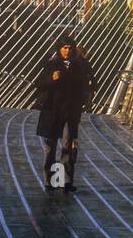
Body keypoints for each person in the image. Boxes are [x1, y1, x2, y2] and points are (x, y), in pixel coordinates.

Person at [34, 34, 96, 194]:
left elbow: (87, 84)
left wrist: (84, 100)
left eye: (69, 48)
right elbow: (39, 84)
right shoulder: (51, 65)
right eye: (64, 48)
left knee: (66, 147)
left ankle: (64, 181)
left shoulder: (79, 66)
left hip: (70, 113)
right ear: (59, 49)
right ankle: (49, 180)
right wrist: (52, 79)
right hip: (52, 112)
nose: (67, 51)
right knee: (50, 148)